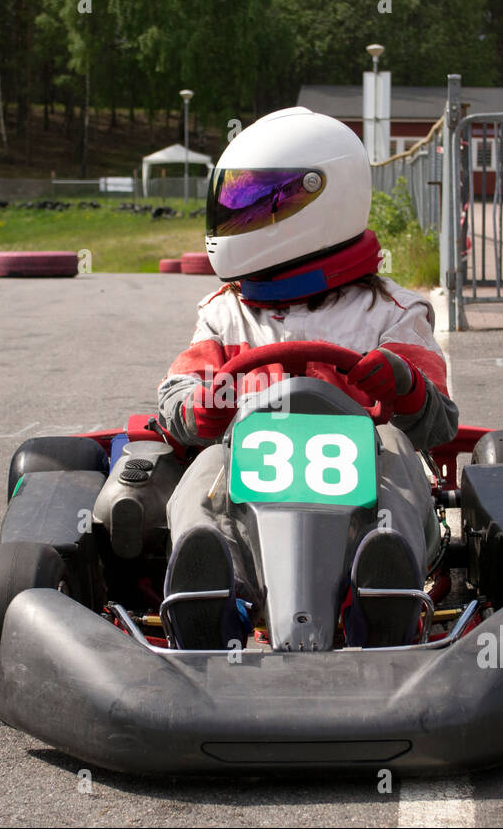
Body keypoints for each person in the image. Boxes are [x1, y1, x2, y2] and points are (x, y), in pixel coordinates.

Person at [155, 106, 459, 649]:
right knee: (204, 467)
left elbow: (439, 423)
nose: (241, 218)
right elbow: (173, 401)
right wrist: (202, 406)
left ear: (325, 198)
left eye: (261, 203)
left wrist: (403, 387)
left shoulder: (390, 313)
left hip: (360, 480)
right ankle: (212, 595)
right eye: (236, 204)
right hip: (247, 475)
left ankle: (382, 597)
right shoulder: (226, 314)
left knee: (395, 451)